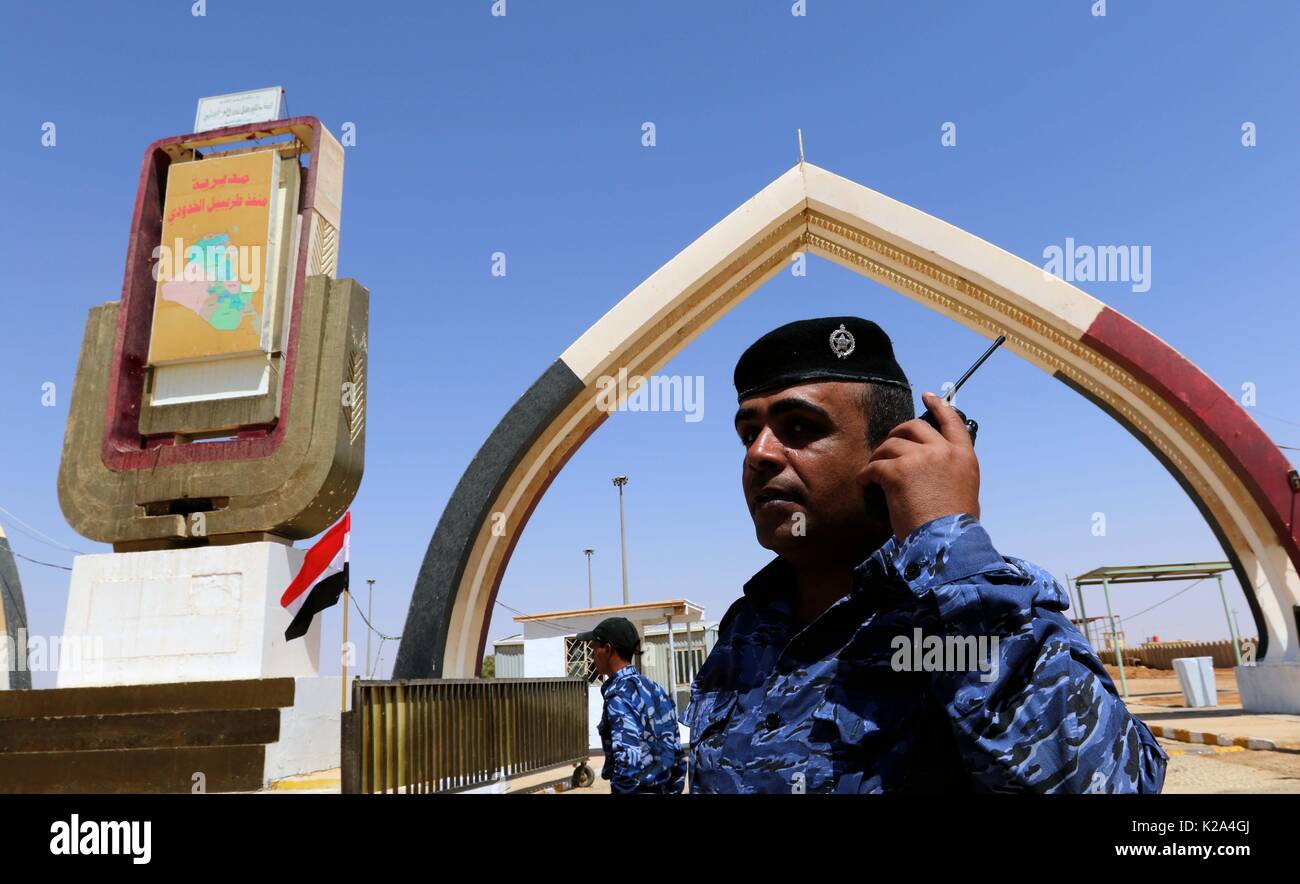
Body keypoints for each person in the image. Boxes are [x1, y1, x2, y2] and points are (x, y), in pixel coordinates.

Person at [682, 316, 1168, 793]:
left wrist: (946, 538)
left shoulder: (971, 609)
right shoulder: (746, 627)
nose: (759, 453)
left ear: (891, 452)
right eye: (749, 434)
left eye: (801, 427)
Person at [577, 617, 686, 794]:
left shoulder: (619, 695)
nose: (591, 656)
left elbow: (628, 761)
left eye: (593, 649)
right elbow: (676, 754)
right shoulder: (654, 688)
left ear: (607, 649)